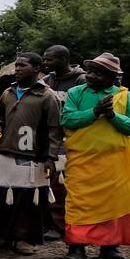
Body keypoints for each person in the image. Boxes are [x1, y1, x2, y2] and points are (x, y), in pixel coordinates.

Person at [59, 52, 130, 259]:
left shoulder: (127, 97)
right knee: (78, 203)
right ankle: (77, 247)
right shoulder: (76, 93)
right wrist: (94, 112)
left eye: (98, 73)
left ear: (112, 77)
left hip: (115, 162)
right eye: (90, 71)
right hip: (82, 160)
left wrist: (113, 116)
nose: (91, 76)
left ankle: (110, 247)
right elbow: (67, 119)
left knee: (114, 204)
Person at [0, 53, 61, 254]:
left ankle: (23, 239)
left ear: (36, 69)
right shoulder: (8, 93)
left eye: (23, 65)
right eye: (16, 65)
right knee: (1, 196)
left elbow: (55, 129)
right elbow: (1, 118)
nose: (17, 69)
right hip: (6, 153)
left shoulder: (47, 96)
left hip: (33, 156)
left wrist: (51, 157)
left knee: (28, 199)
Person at [42, 45, 87, 241]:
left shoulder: (81, 80)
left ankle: (63, 224)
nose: (46, 63)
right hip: (50, 137)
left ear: (64, 59)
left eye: (50, 59)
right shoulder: (47, 80)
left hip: (72, 139)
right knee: (49, 181)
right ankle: (50, 222)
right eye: (44, 59)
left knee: (63, 184)